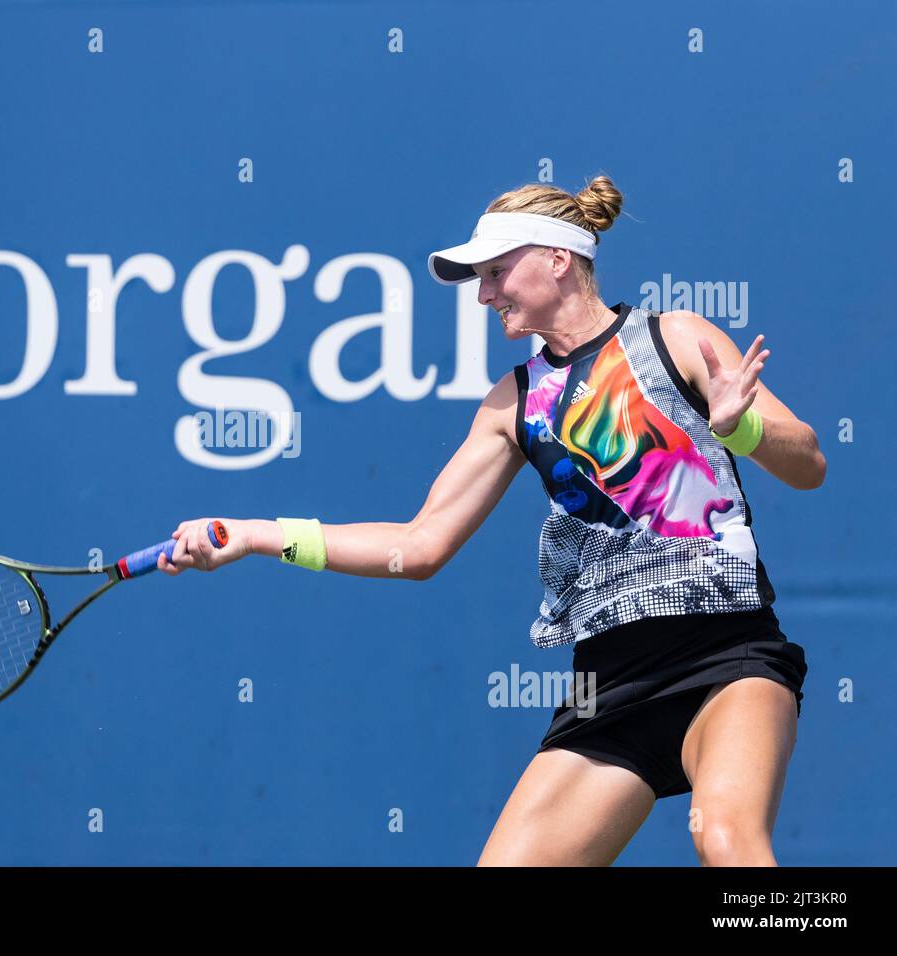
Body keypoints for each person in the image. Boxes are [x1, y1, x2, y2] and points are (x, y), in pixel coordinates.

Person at [156, 175, 826, 866]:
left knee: (725, 842)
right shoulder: (513, 403)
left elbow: (808, 463)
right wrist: (259, 535)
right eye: (480, 279)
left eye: (497, 272)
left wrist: (742, 428)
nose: (483, 294)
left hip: (728, 659)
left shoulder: (676, 338)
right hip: (607, 688)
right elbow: (418, 548)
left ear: (558, 259)